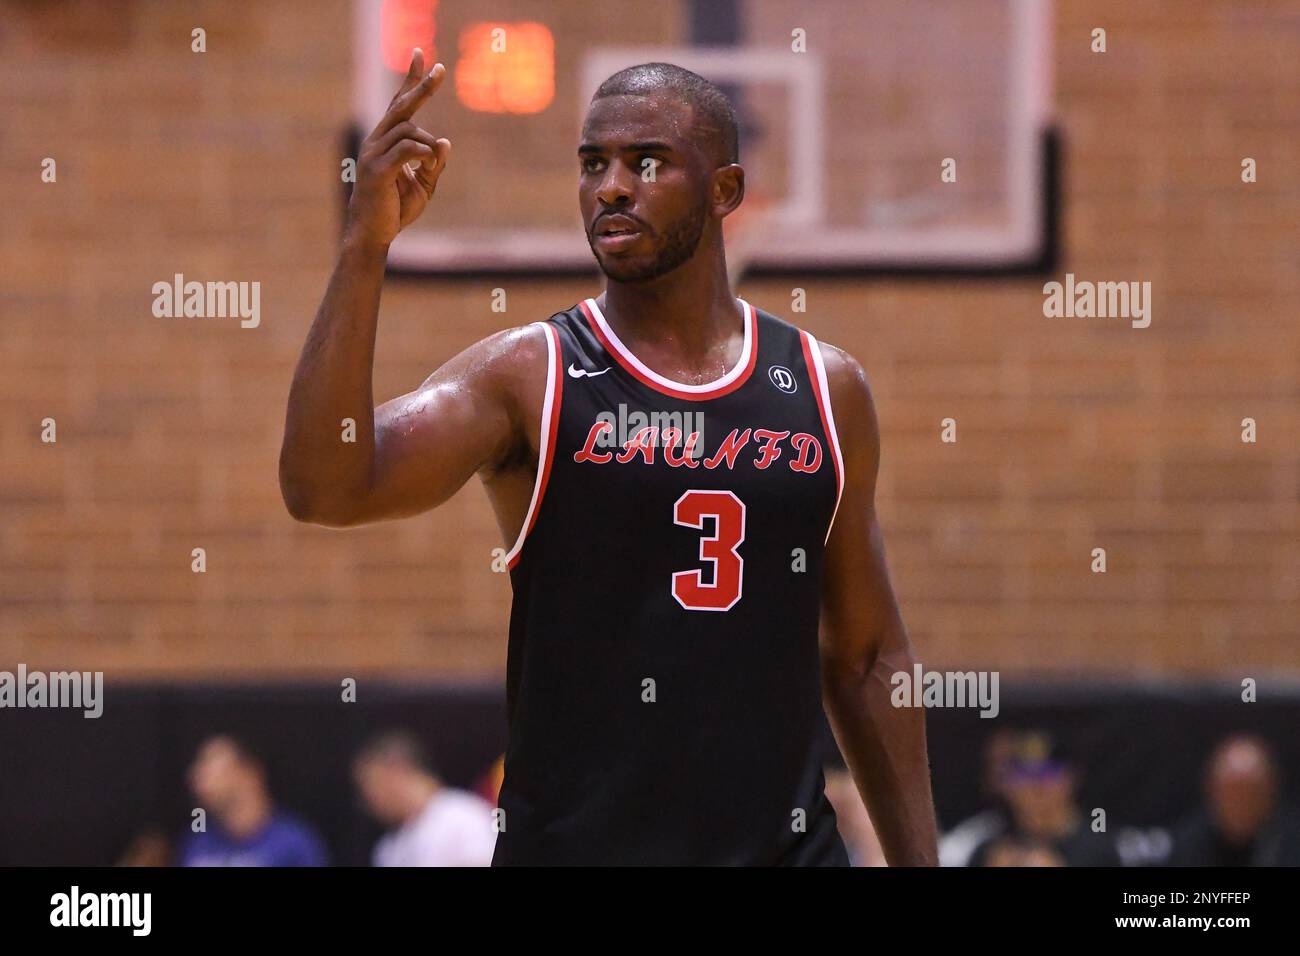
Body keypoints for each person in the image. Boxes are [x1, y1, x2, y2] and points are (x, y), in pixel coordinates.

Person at [280, 52, 937, 865]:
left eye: (647, 162)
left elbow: (869, 655)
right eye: (594, 164)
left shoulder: (824, 389)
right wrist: (363, 247)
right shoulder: (531, 374)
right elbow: (325, 486)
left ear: (724, 191)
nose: (611, 187)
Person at [179, 735, 328, 867]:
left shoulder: (293, 843)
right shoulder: (198, 843)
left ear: (250, 774)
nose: (195, 778)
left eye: (208, 768)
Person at [353, 731, 496, 867]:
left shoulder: (464, 817)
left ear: (395, 772)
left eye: (372, 786)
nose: (367, 801)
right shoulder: (389, 848)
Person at [1168, 734, 1300, 866]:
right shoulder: (1186, 846)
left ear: (1271, 793)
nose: (1241, 804)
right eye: (1232, 794)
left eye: (1251, 795)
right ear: (1212, 792)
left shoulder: (1292, 843)